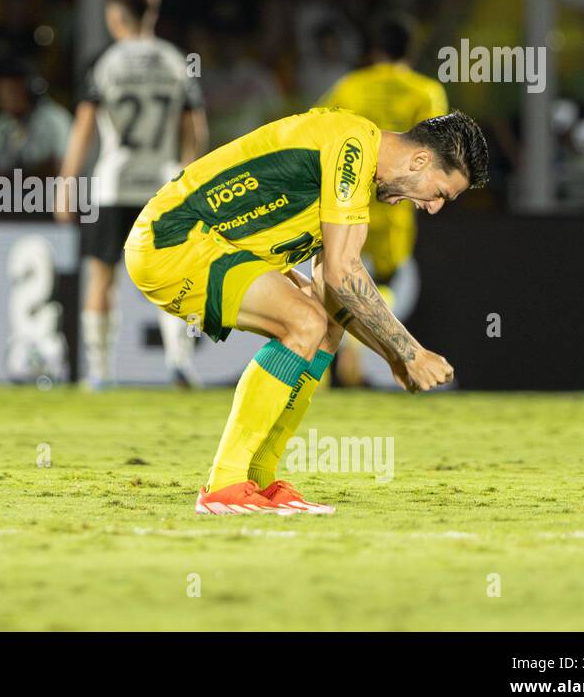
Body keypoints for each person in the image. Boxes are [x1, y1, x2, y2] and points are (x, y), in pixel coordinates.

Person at [124, 107, 488, 514]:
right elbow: (343, 272)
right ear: (420, 160)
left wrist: (392, 357)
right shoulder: (351, 147)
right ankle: (224, 483)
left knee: (326, 323)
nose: (434, 207)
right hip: (174, 240)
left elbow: (337, 295)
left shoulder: (354, 168)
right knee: (304, 320)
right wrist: (410, 352)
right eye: (440, 192)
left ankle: (258, 478)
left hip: (206, 245)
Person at [57, 0, 207, 388]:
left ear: (115, 18)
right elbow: (194, 126)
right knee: (174, 275)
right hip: (163, 185)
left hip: (112, 185)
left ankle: (100, 372)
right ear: (151, 16)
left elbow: (84, 127)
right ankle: (180, 361)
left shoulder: (105, 61)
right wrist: (187, 174)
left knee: (102, 276)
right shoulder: (175, 61)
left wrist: (66, 182)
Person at [316, 16, 449, 386]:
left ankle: (317, 373)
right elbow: (436, 151)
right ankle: (358, 345)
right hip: (395, 207)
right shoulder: (425, 91)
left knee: (332, 279)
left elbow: (319, 128)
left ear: (374, 50)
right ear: (412, 50)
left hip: (344, 201)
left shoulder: (350, 86)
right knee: (384, 281)